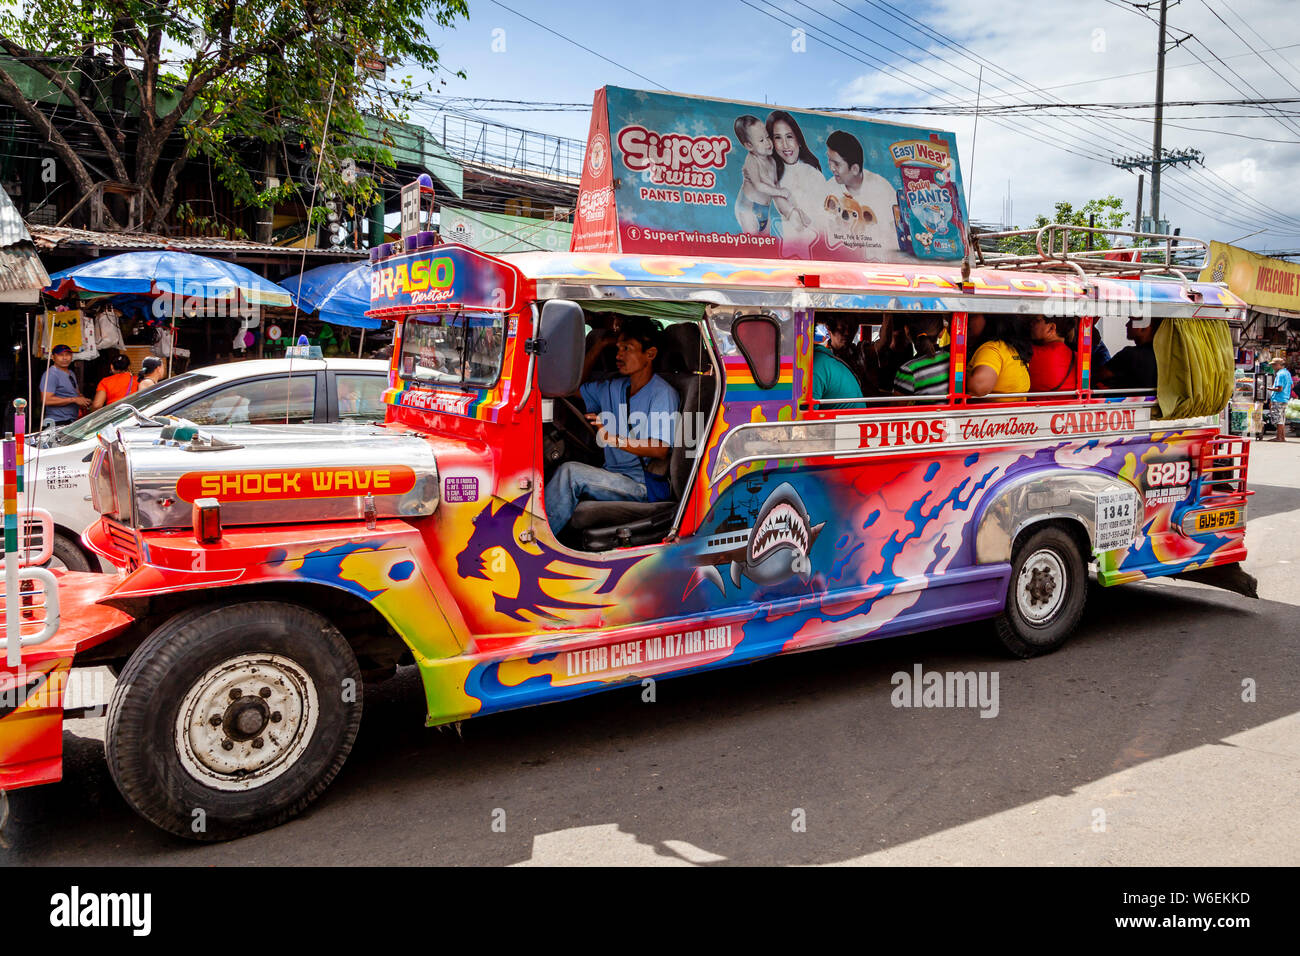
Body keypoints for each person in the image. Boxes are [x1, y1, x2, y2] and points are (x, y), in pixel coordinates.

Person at [546, 317, 680, 535]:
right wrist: (599, 345)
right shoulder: (614, 387)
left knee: (570, 473)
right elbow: (570, 388)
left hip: (639, 484)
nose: (618, 355)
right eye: (617, 348)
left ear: (651, 354)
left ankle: (536, 545)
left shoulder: (662, 394)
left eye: (627, 349)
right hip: (612, 474)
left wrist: (612, 439)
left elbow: (660, 449)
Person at [823, 130, 901, 261]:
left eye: (836, 164)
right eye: (830, 161)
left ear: (854, 169)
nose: (831, 168)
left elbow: (896, 228)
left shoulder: (881, 188)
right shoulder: (829, 189)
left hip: (880, 264)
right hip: (841, 261)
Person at [765, 111, 826, 258]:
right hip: (789, 254)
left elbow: (824, 217)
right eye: (778, 138)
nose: (785, 145)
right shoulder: (772, 174)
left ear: (798, 139)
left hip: (817, 251)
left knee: (809, 281)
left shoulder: (814, 174)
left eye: (789, 137)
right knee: (801, 280)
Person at [732, 115, 790, 235]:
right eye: (761, 140)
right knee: (753, 242)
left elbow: (774, 185)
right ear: (749, 145)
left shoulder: (772, 162)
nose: (768, 142)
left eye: (767, 137)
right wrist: (779, 192)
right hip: (748, 207)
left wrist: (788, 209)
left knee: (765, 241)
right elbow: (759, 185)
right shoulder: (751, 160)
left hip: (764, 209)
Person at [968, 315, 1032, 398]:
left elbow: (979, 387)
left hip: (990, 410)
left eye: (973, 314)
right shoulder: (1013, 348)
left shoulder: (992, 349)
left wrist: (959, 378)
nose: (967, 319)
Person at [893, 314, 950, 399]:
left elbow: (897, 409)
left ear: (906, 330)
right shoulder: (953, 359)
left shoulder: (908, 370)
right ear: (942, 332)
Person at [811, 324, 865, 409]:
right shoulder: (823, 357)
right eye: (842, 329)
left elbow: (804, 415)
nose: (847, 333)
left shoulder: (816, 364)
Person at [1102, 317, 1162, 390]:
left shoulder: (1129, 354)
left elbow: (1097, 376)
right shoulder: (1164, 355)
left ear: (1143, 327)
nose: (1126, 325)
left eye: (1131, 321)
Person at [40, 344, 90, 427]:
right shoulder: (51, 374)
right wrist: (74, 399)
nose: (65, 358)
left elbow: (75, 393)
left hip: (70, 421)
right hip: (56, 422)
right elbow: (46, 400)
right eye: (60, 355)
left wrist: (84, 400)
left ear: (71, 356)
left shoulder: (71, 373)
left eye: (67, 355)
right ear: (53, 357)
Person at [1027, 315, 1078, 392]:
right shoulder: (1077, 357)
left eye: (1036, 321)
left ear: (1051, 328)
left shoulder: (1031, 354)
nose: (1031, 323)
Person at [1269, 356, 1292, 442]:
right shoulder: (1287, 373)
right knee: (1282, 419)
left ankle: (1279, 437)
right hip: (1285, 398)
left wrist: (1268, 388)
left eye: (1274, 365)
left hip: (1278, 398)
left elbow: (1279, 388)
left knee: (1278, 419)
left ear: (1278, 365)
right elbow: (1291, 385)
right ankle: (1282, 437)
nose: (1273, 367)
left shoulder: (1280, 374)